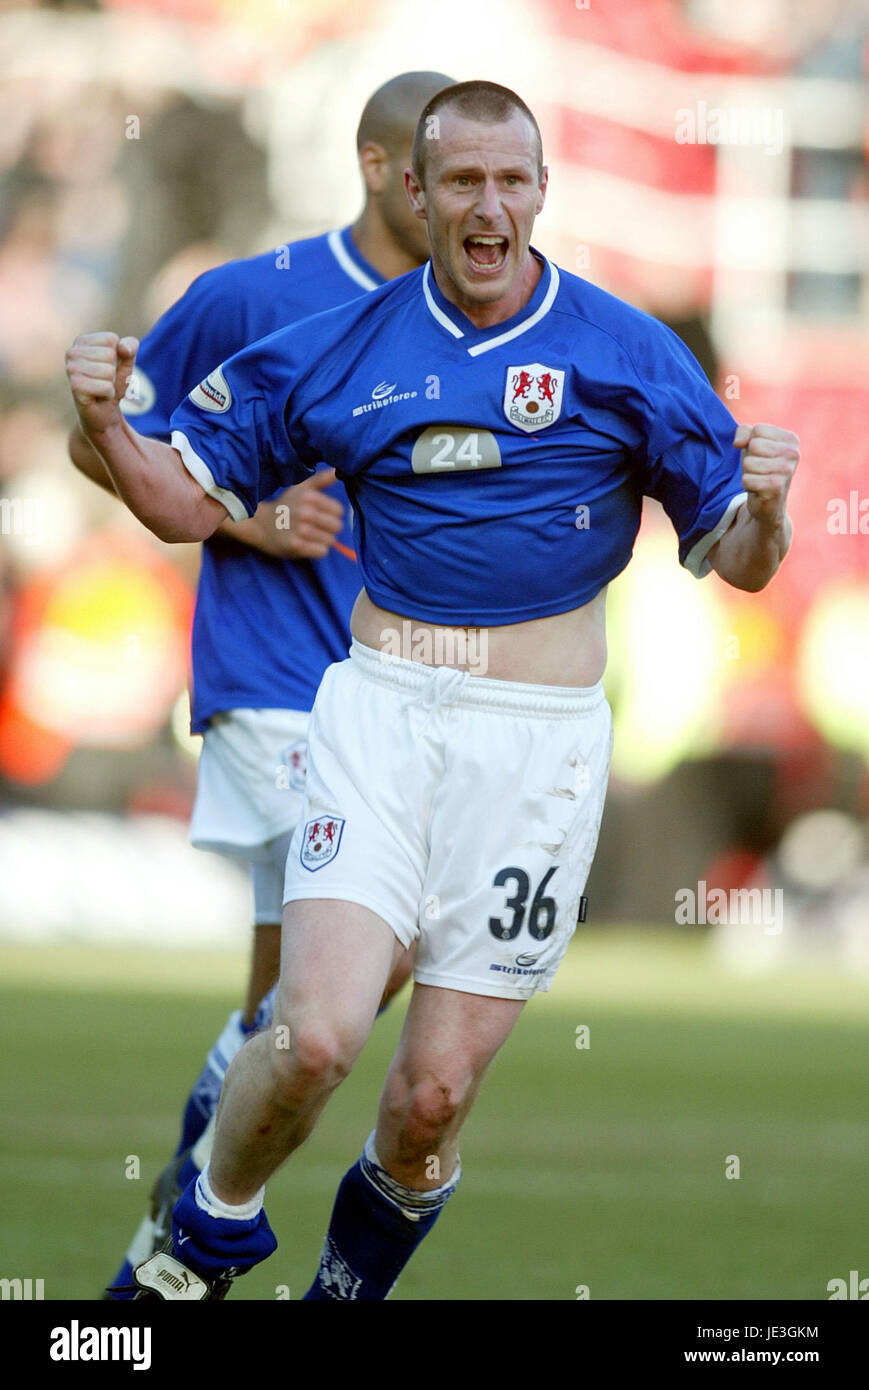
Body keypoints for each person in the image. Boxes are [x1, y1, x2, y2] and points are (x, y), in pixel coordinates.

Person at [65, 79, 799, 1301]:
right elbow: (182, 505)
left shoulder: (625, 350)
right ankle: (193, 1249)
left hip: (537, 753)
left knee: (429, 1098)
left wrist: (765, 509)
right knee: (312, 1036)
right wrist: (102, 419)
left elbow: (740, 559)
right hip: (383, 718)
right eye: (462, 180)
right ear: (415, 189)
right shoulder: (340, 344)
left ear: (542, 190)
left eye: (510, 180)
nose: (487, 204)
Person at [66, 69, 455, 1298]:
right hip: (277, 682)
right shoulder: (250, 298)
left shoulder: (474, 324)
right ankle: (198, 1229)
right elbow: (103, 437)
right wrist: (243, 514)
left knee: (287, 999)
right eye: (436, 176)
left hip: (401, 698)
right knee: (368, 952)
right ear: (377, 167)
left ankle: (177, 1218)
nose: (460, 203)